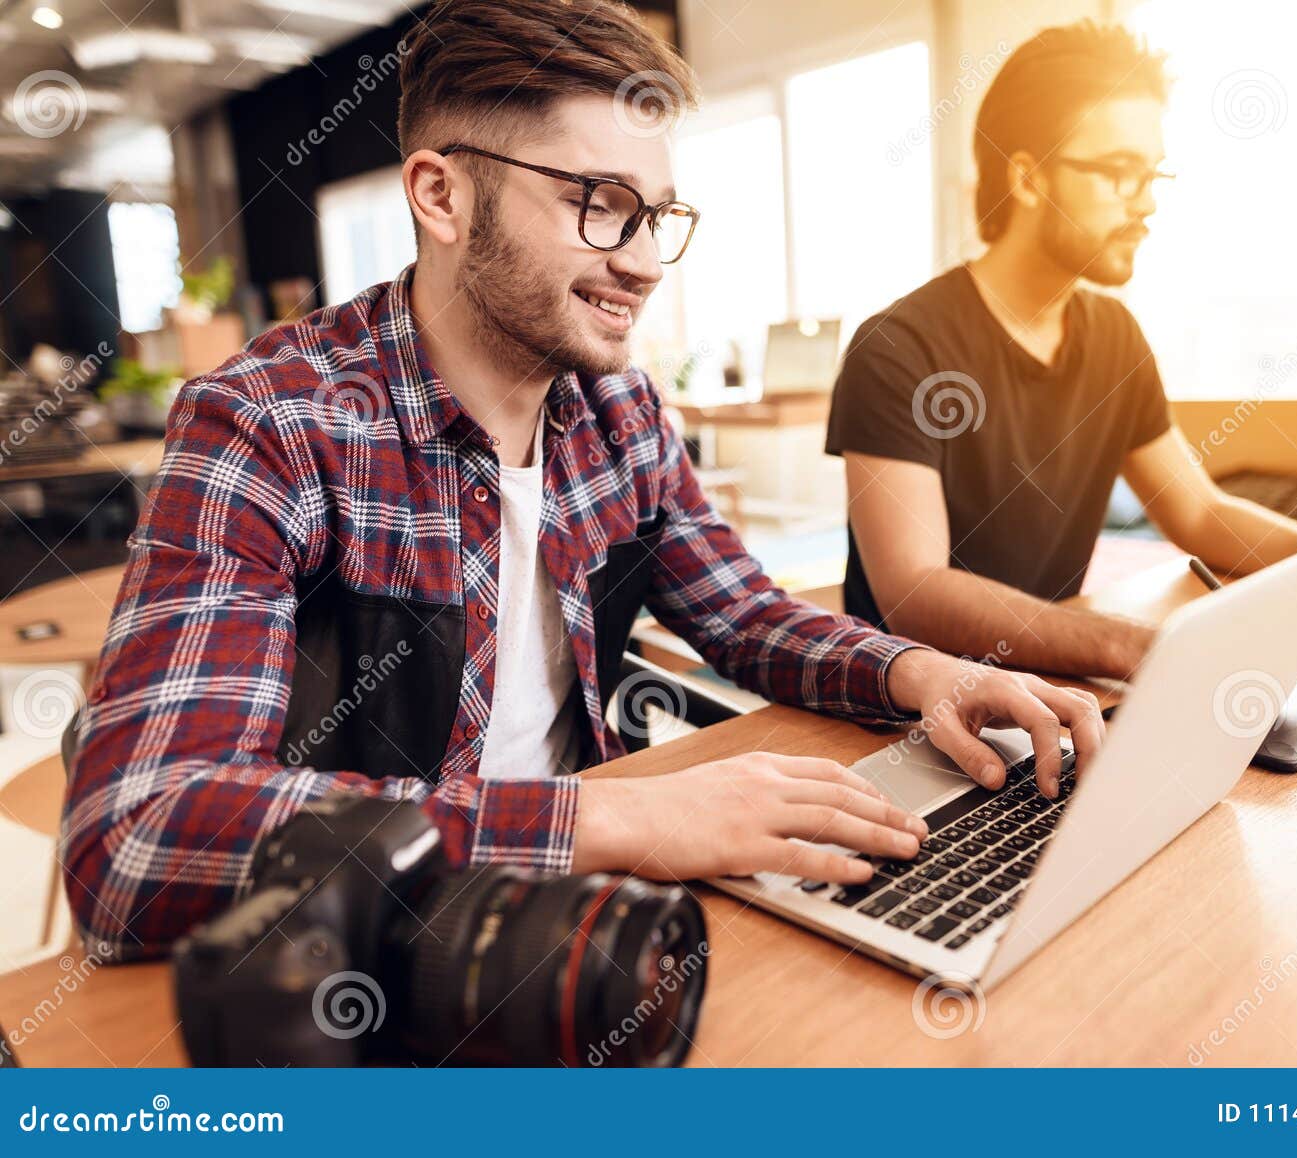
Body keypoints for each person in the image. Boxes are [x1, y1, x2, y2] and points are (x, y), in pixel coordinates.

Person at [61, 0, 1105, 960]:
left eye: (656, 216)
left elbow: (743, 615)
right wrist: (620, 819)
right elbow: (140, 834)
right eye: (601, 205)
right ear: (442, 194)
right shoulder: (271, 422)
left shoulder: (620, 413)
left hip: (577, 922)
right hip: (377, 947)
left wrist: (923, 676)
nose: (645, 262)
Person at [825, 21, 1297, 680]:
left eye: (1153, 175)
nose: (1146, 203)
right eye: (1118, 172)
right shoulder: (898, 349)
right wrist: (1127, 645)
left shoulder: (1112, 337)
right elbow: (914, 592)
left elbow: (1199, 513)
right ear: (1028, 177)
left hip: (1051, 692)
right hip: (906, 710)